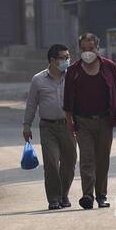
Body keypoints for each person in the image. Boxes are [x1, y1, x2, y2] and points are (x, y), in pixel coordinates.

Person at [63, 32, 116, 210]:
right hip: (82, 121)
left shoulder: (109, 68)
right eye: (83, 49)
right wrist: (70, 122)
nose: (87, 52)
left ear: (98, 48)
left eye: (91, 48)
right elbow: (68, 100)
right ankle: (87, 195)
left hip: (105, 121)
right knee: (87, 158)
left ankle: (101, 195)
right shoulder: (73, 71)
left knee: (102, 159)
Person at [23, 44, 76, 211]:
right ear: (53, 60)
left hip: (69, 126)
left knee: (69, 162)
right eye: (63, 58)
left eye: (68, 57)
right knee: (51, 163)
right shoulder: (38, 80)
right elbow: (31, 104)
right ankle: (53, 198)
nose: (67, 60)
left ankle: (63, 194)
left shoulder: (73, 77)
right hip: (48, 127)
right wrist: (27, 125)